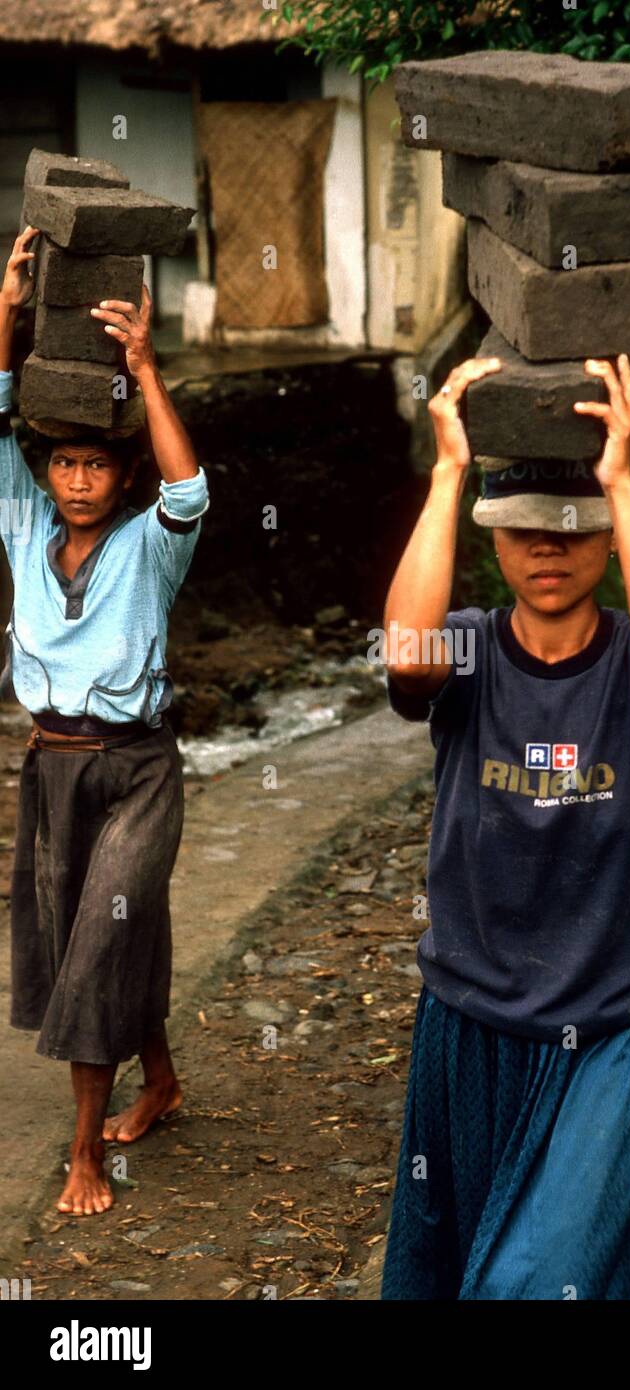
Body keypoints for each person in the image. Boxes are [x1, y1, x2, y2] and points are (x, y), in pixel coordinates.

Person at [380, 352, 630, 1300]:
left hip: (617, 1024)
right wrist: (448, 471)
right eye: (526, 530)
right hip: (474, 1020)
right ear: (496, 543)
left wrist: (623, 482)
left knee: (542, 1276)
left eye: (576, 530)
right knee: (469, 1259)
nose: (550, 549)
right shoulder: (471, 651)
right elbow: (404, 657)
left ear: (608, 543)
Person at [0, 225, 209, 1217]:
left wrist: (145, 370)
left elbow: (191, 488)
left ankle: (86, 1152)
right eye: (65, 465)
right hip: (52, 770)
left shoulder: (149, 548)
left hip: (138, 769)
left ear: (120, 479)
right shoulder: (25, 520)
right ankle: (160, 1079)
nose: (78, 480)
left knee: (95, 948)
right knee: (108, 934)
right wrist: (6, 320)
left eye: (96, 466)